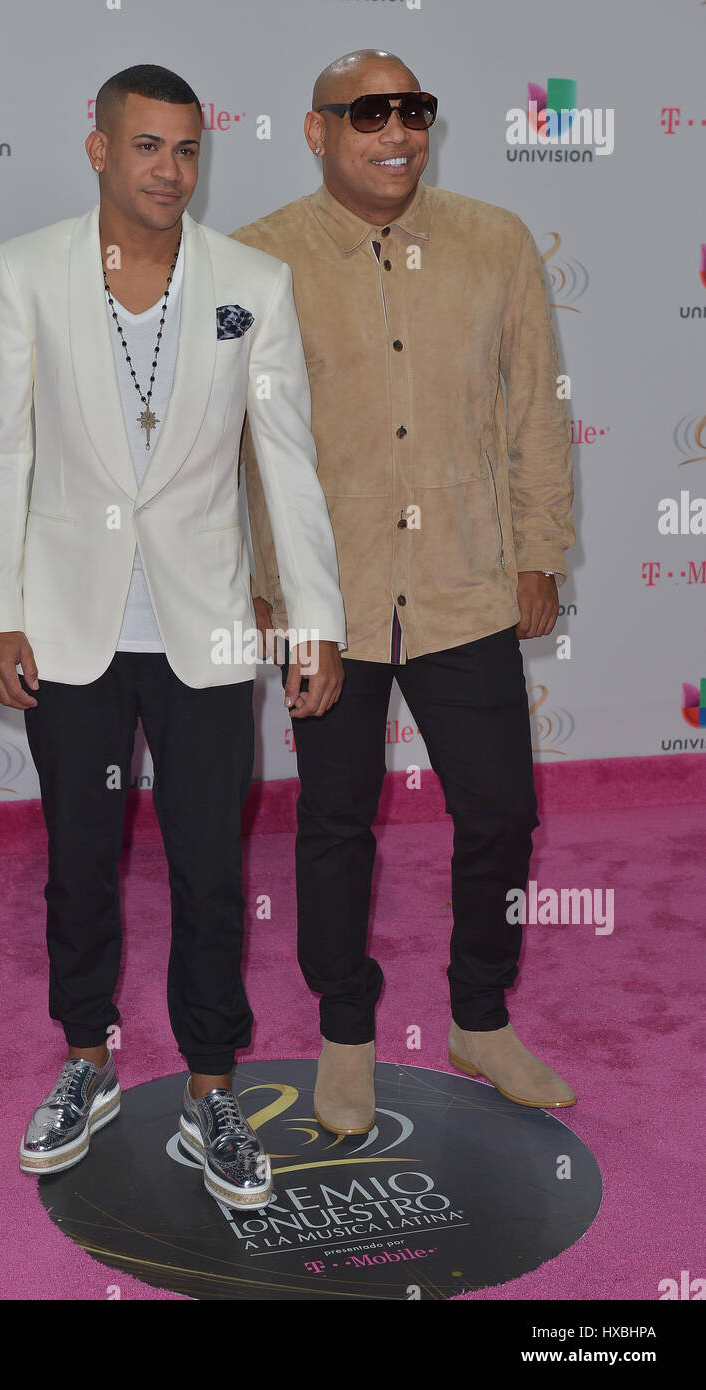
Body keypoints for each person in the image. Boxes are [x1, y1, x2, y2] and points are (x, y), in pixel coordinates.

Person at [0, 64, 346, 1207]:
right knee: (79, 867)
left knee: (212, 872)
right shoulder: (26, 272)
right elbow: (0, 455)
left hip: (210, 628)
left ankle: (210, 1092)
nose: (168, 170)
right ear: (98, 150)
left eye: (184, 149)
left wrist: (313, 622)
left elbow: (287, 462)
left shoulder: (253, 284)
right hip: (69, 626)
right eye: (144, 147)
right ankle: (86, 1064)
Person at [232, 49, 576, 1132]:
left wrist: (540, 549)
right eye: (369, 113)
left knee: (503, 811)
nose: (397, 132)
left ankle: (479, 1015)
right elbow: (235, 445)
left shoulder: (494, 243)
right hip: (328, 597)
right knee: (334, 820)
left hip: (463, 578)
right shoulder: (258, 262)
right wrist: (264, 586)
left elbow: (534, 410)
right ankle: (345, 1034)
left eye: (413, 111)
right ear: (316, 129)